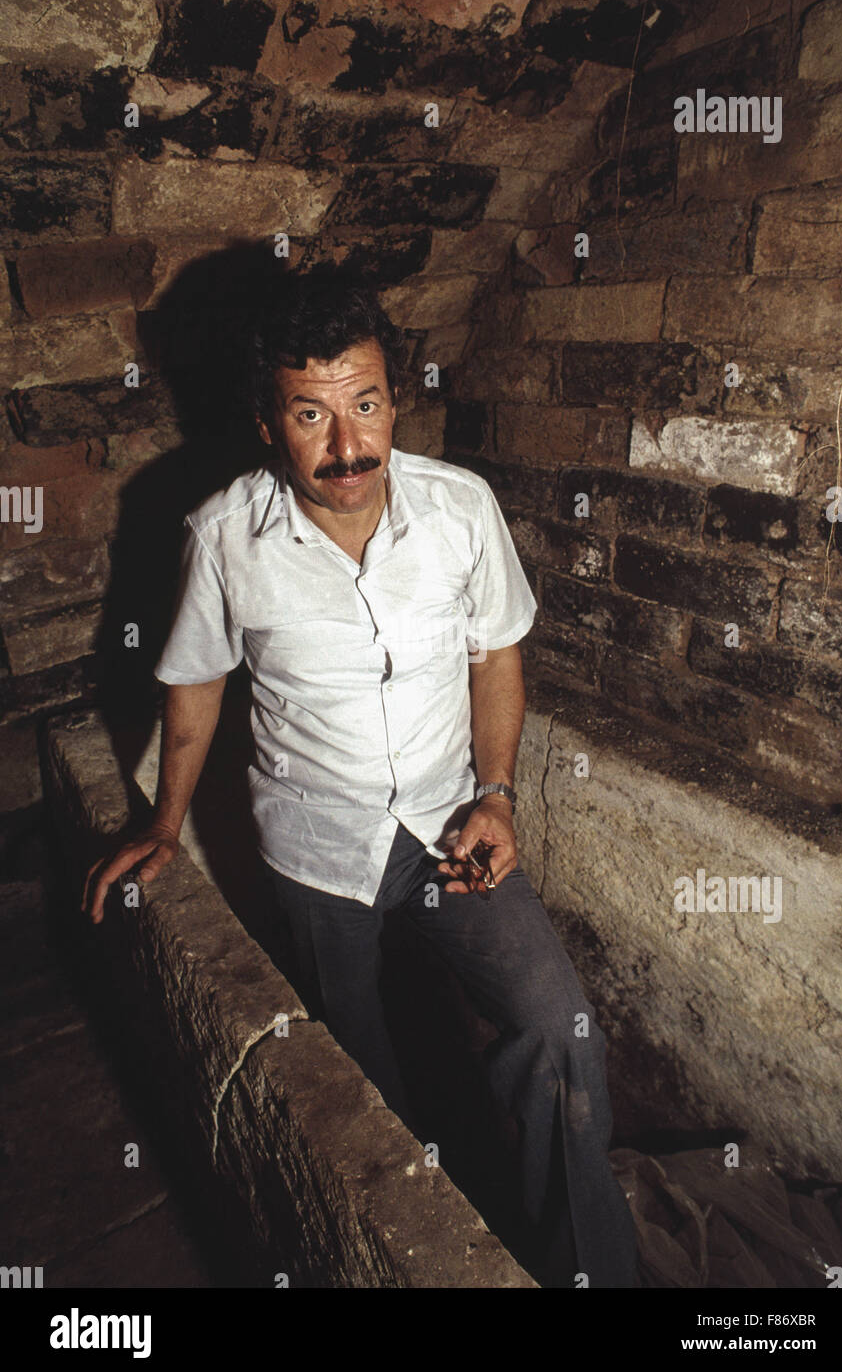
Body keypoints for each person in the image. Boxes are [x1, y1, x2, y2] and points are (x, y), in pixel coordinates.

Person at [82, 268, 637, 1289]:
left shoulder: (459, 508)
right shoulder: (223, 539)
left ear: (394, 397)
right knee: (361, 1092)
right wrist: (164, 824)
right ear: (265, 422)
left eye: (366, 403)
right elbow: (196, 685)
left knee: (556, 1026)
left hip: (446, 830)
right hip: (314, 851)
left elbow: (493, 653)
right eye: (311, 414)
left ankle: (587, 1272)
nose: (348, 446)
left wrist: (498, 792)